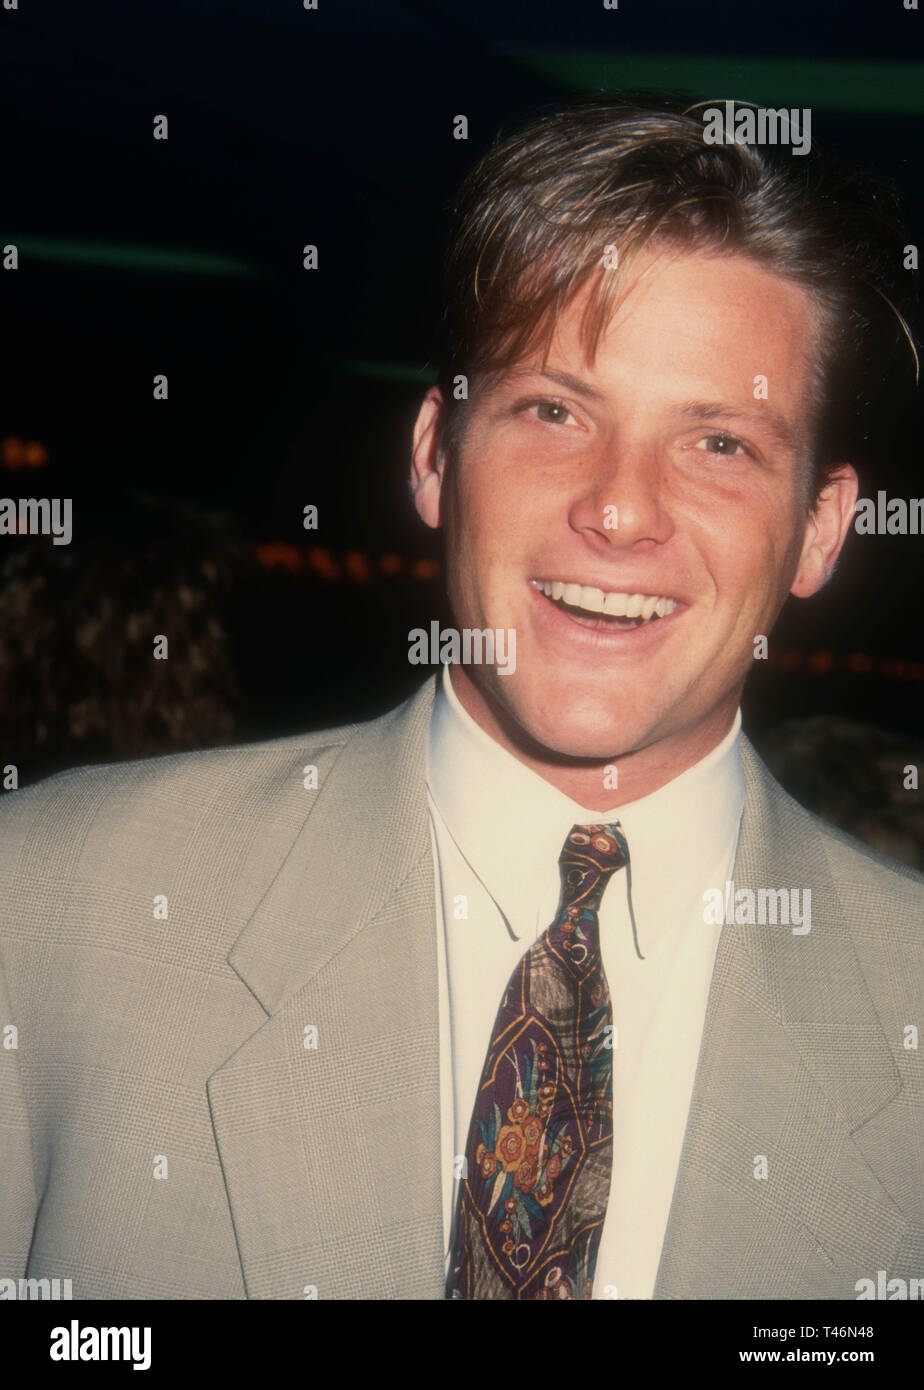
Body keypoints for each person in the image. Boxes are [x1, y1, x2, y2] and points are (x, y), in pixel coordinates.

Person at [0, 94, 920, 1302]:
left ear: (820, 529)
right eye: (554, 410)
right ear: (436, 453)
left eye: (719, 446)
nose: (622, 508)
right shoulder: (58, 907)